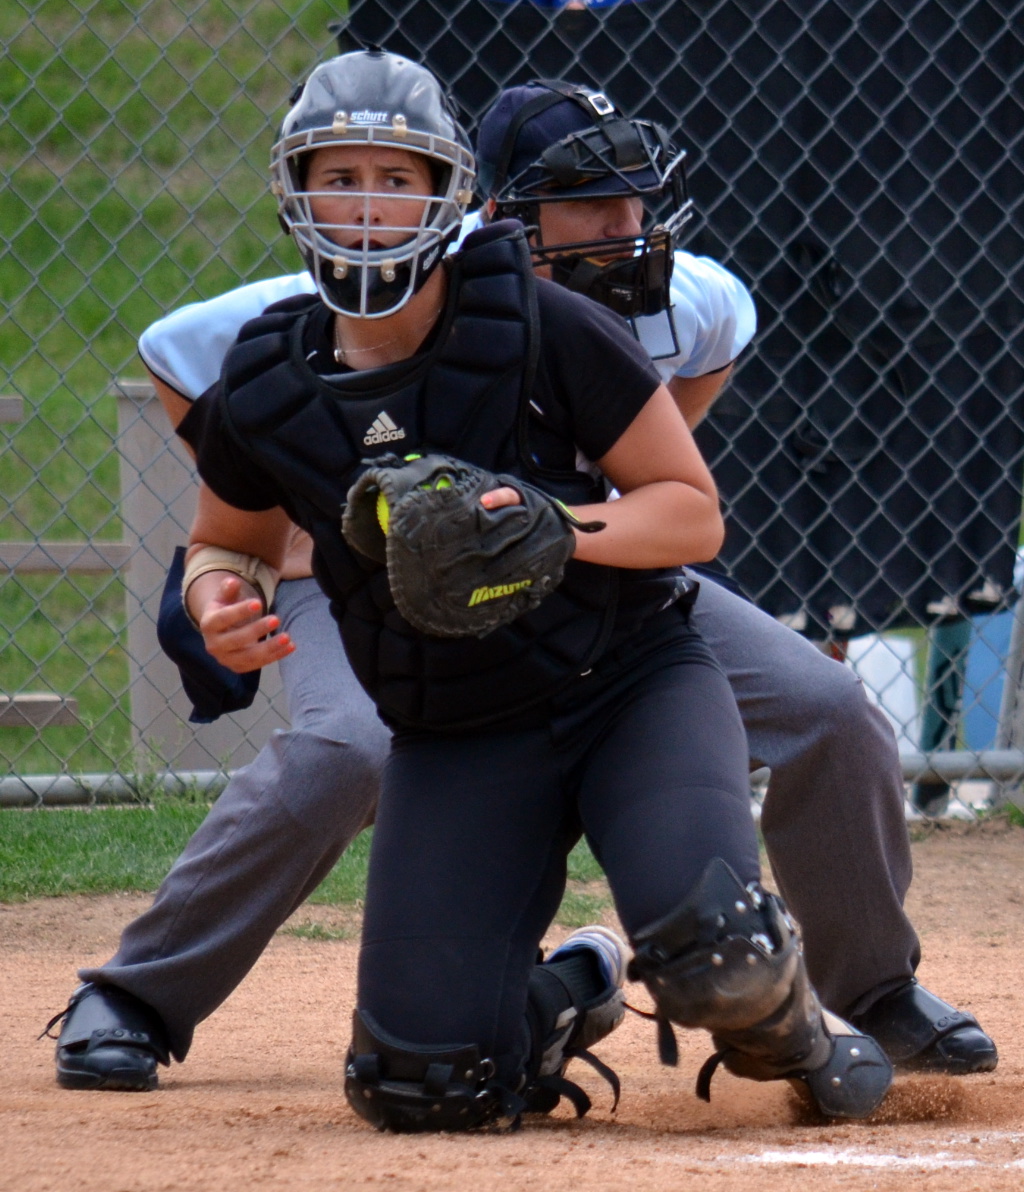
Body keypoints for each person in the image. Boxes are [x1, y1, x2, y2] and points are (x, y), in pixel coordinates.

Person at [43, 65, 995, 1095]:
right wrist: (301, 538)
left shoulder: (678, 301)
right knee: (347, 747)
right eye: (582, 199)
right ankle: (140, 991)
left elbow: (682, 480)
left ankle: (871, 991)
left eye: (631, 194)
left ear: (445, 193)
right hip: (383, 589)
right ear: (496, 211)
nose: (620, 223)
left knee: (825, 702)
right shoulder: (307, 312)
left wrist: (572, 515)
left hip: (592, 586)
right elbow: (196, 416)